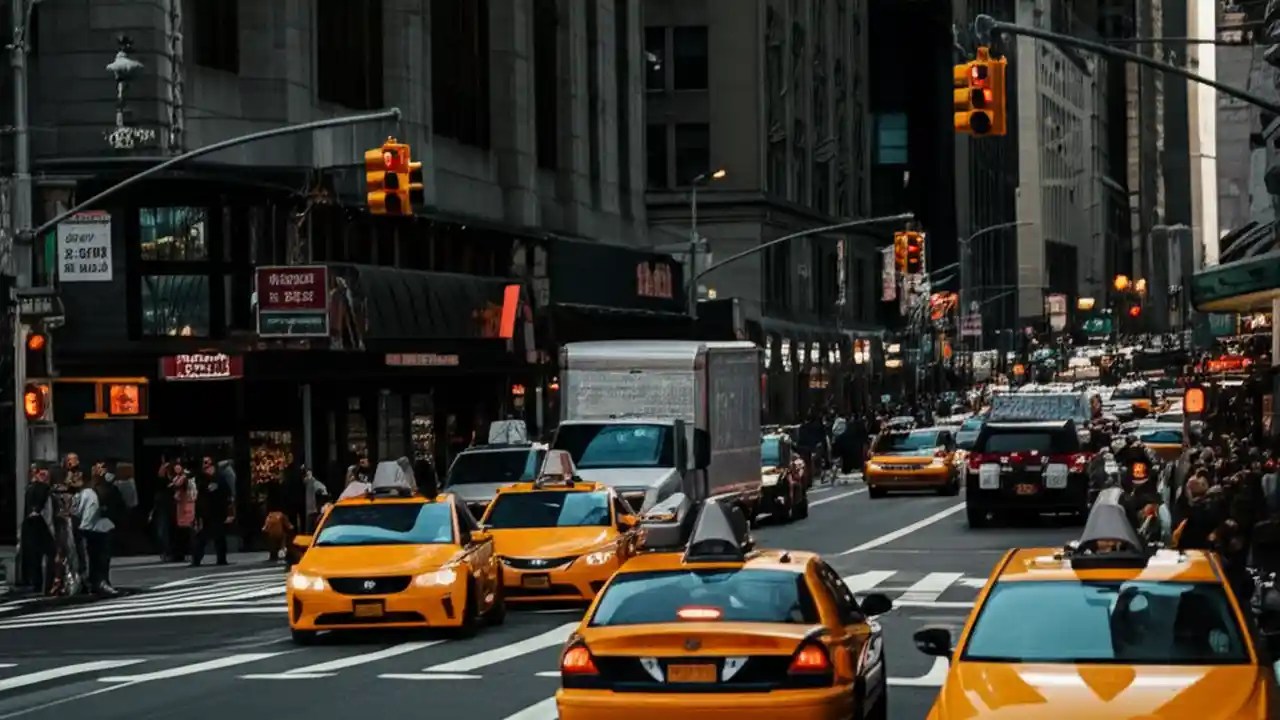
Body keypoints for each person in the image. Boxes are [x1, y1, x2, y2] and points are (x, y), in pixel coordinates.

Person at [77, 465, 118, 595]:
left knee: (100, 557)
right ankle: (96, 582)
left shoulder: (110, 489)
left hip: (102, 527)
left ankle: (99, 582)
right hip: (91, 528)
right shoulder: (88, 491)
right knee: (95, 557)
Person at [191, 455, 234, 566]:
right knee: (201, 537)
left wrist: (229, 511)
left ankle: (221, 559)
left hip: (218, 511)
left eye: (207, 463)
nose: (206, 466)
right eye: (204, 463)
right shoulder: (201, 478)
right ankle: (196, 560)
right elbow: (199, 495)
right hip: (206, 512)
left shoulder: (220, 478)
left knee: (219, 536)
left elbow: (227, 493)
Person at [19, 465, 53, 594]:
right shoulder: (42, 488)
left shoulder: (31, 488)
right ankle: (42, 583)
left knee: (34, 555)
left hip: (31, 525)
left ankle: (35, 582)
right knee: (47, 553)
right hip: (38, 524)